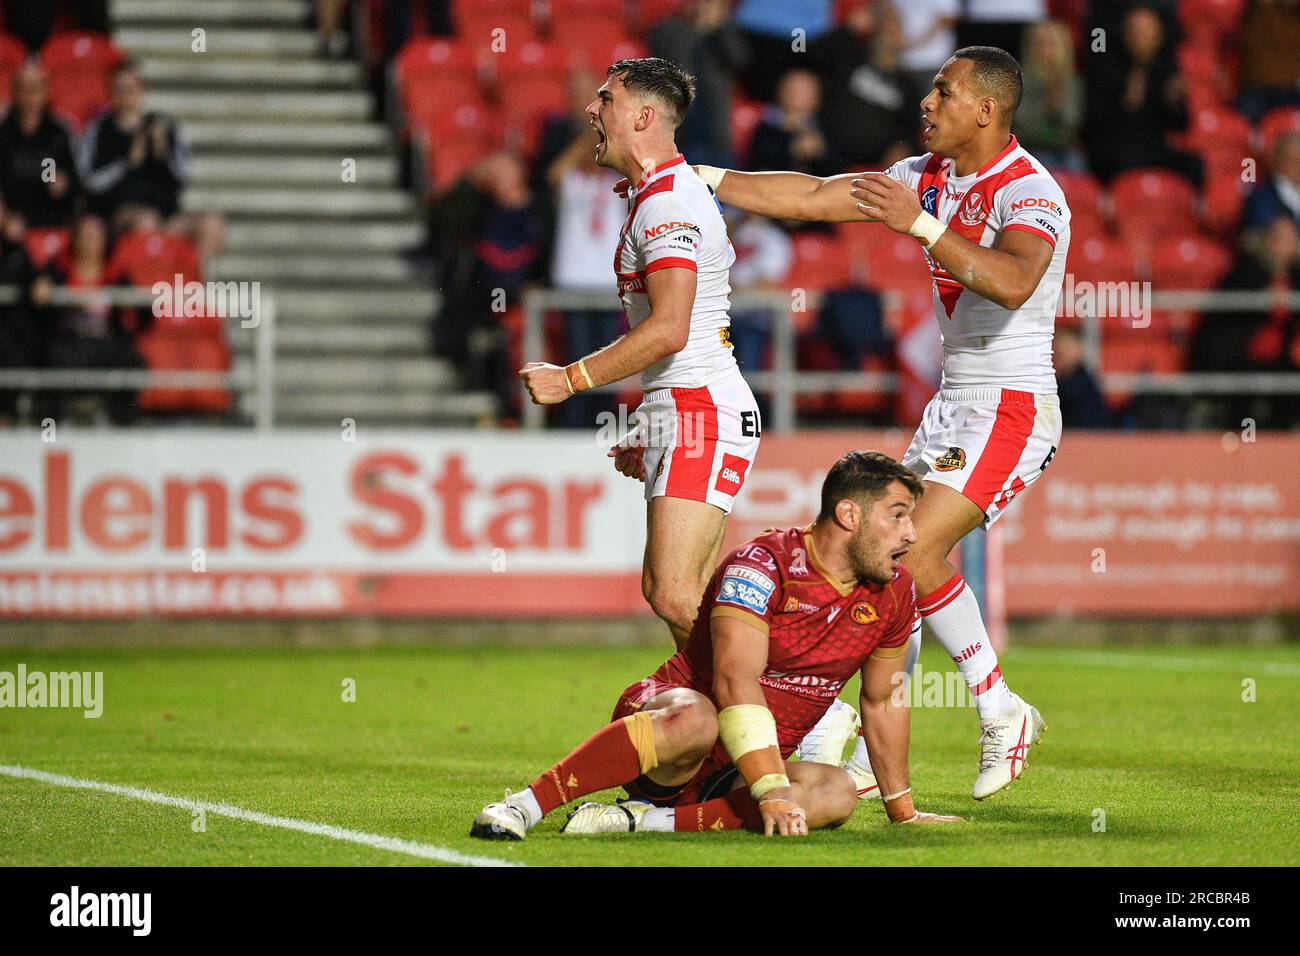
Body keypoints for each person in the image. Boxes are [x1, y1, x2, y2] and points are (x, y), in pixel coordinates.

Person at [676, 46, 1057, 800]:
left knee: (907, 563)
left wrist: (921, 226)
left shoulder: (1033, 190)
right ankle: (883, 731)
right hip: (953, 407)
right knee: (891, 564)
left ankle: (981, 708)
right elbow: (817, 194)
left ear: (986, 109)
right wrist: (707, 178)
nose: (927, 102)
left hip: (1013, 405)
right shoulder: (929, 177)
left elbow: (1013, 282)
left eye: (943, 93)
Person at [471, 451, 965, 839]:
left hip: (737, 766)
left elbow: (881, 702)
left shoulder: (894, 591)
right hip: (674, 732)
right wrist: (771, 788)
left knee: (836, 793)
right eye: (898, 516)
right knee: (698, 718)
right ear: (849, 514)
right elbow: (734, 680)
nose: (912, 534)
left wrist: (903, 813)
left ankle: (640, 823)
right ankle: (524, 804)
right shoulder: (762, 565)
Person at [518, 58, 762, 651]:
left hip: (703, 408)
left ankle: (810, 707)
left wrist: (570, 378)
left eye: (605, 98)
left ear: (644, 116)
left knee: (674, 592)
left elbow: (670, 329)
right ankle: (740, 732)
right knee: (689, 596)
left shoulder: (667, 204)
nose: (590, 110)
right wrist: (655, 420)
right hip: (688, 405)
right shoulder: (659, 194)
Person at [79, 61, 225, 263]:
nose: (125, 95)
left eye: (131, 88)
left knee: (211, 223)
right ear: (110, 92)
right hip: (118, 216)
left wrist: (163, 153)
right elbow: (89, 181)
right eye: (119, 89)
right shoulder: (100, 130)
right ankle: (141, 289)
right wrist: (126, 163)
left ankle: (193, 284)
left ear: (142, 90)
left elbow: (183, 176)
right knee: (145, 222)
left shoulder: (165, 126)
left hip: (165, 215)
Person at [0, 63, 81, 230]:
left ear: (46, 92)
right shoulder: (4, 130)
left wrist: (64, 184)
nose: (29, 97)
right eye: (24, 89)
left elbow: (73, 181)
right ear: (14, 92)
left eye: (35, 89)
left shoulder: (57, 133)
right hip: (10, 218)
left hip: (50, 216)